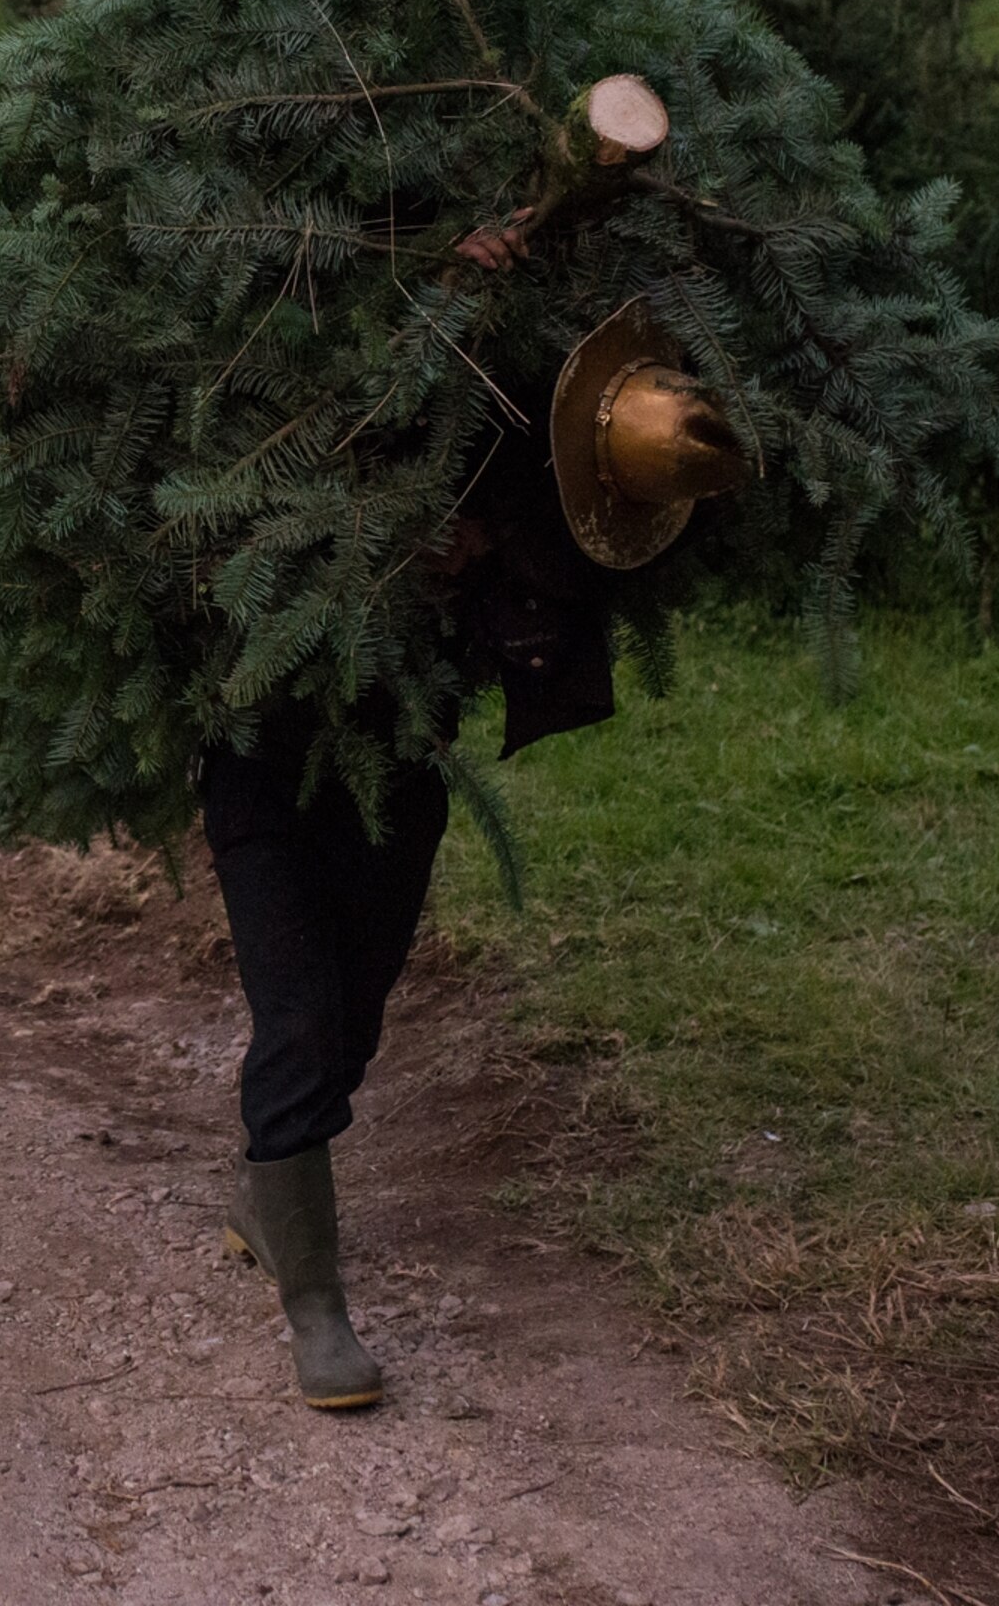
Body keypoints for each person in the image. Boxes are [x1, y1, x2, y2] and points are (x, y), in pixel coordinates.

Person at [207, 211, 635, 1413]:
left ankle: (266, 1185)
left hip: (399, 748)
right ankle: (319, 1312)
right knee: (296, 1014)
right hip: (261, 743)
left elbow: (583, 523)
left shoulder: (511, 400)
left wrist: (482, 543)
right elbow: (252, 493)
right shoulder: (292, 355)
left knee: (353, 1013)